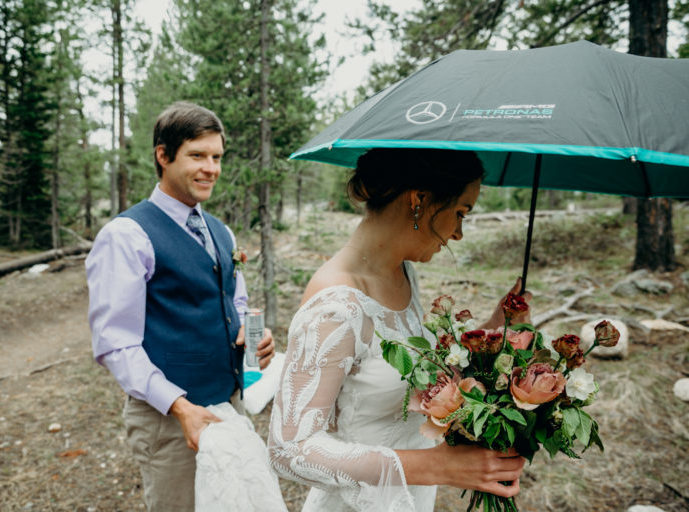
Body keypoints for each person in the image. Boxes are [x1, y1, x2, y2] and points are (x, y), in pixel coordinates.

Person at [267, 148, 528, 511]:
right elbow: (290, 450)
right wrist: (438, 465)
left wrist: (496, 328)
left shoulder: (404, 274)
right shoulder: (336, 305)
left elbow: (413, 374)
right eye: (460, 213)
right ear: (419, 200)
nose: (459, 234)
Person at [86, 101, 275, 512]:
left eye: (217, 157)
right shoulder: (127, 235)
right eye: (197, 156)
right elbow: (115, 344)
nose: (211, 168)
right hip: (169, 420)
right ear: (163, 156)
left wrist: (249, 331)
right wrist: (179, 407)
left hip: (228, 404)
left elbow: (232, 298)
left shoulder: (220, 230)